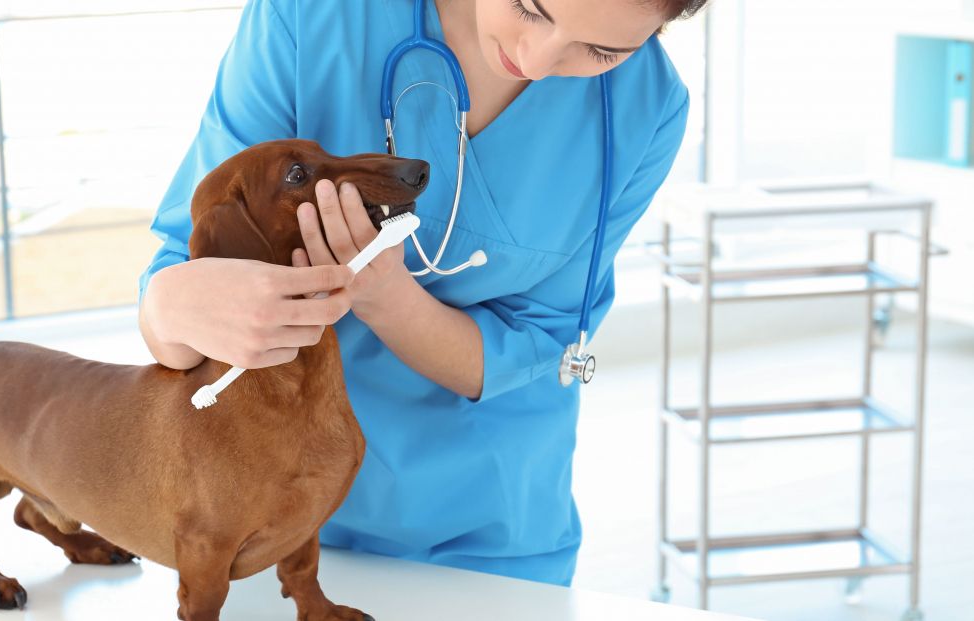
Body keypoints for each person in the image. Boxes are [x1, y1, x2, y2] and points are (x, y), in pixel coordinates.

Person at [138, 0, 706, 586]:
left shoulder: (646, 108)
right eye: (528, 7)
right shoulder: (313, 15)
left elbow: (536, 341)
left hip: (492, 535)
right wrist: (169, 307)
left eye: (602, 52)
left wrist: (386, 295)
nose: (537, 61)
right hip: (269, 520)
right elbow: (186, 281)